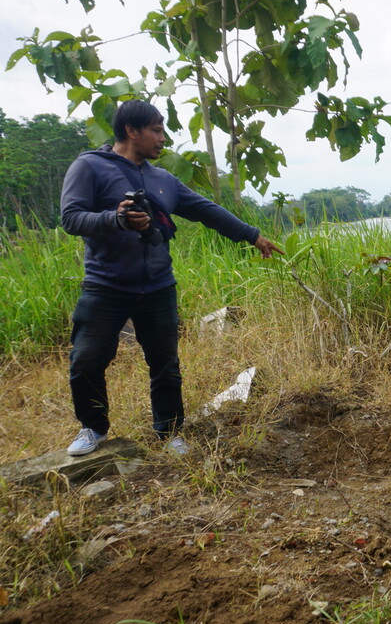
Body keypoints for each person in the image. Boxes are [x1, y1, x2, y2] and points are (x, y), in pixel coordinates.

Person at [60, 99, 281, 456]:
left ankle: (170, 433)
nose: (164, 138)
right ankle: (93, 428)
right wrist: (113, 218)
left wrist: (251, 234)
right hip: (106, 285)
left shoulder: (162, 178)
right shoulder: (90, 167)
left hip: (158, 286)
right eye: (157, 130)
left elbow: (206, 210)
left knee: (165, 364)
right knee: (86, 361)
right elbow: (71, 218)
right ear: (132, 131)